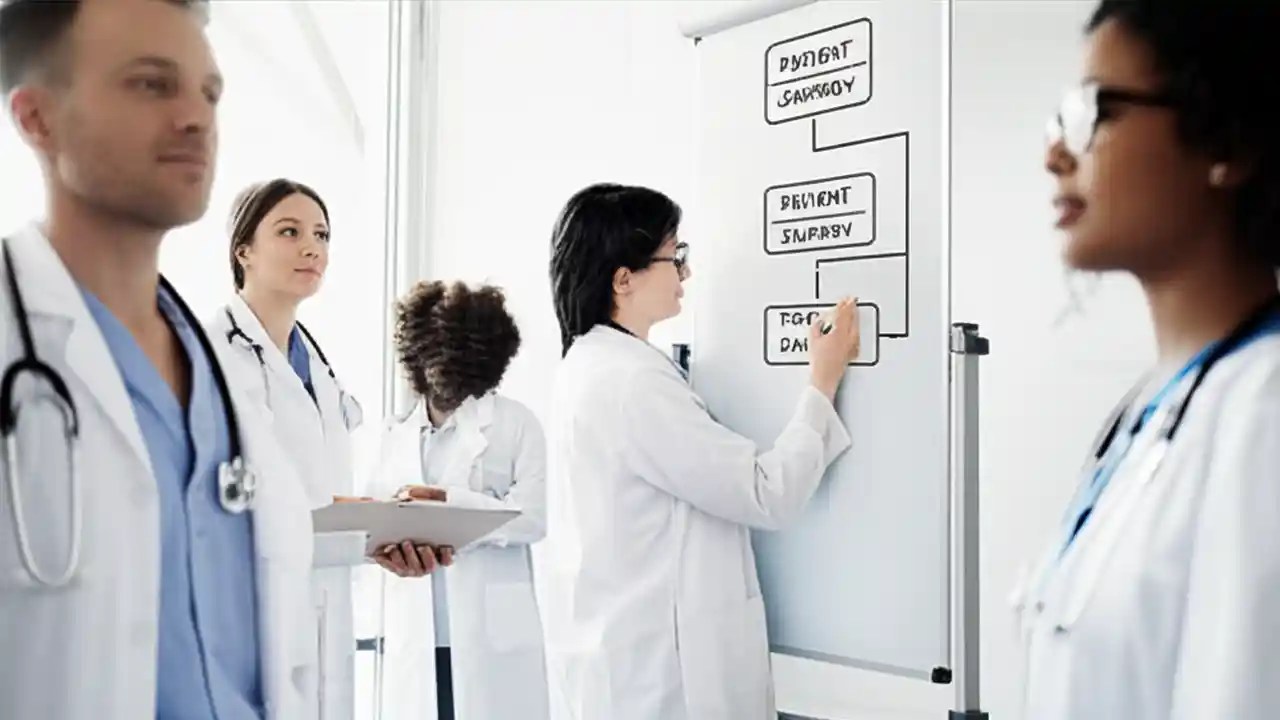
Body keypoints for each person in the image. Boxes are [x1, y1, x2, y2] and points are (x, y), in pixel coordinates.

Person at [0, 0, 319, 717]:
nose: (196, 118)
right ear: (36, 118)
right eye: (152, 84)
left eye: (209, 93)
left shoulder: (219, 379)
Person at [1016, 2, 1280, 717]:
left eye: (1097, 112)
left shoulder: (1264, 412)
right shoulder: (1152, 407)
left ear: (1227, 142)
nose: (1055, 154)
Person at [537, 182, 861, 719]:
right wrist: (822, 382)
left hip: (627, 668)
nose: (685, 273)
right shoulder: (631, 382)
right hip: (663, 684)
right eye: (674, 256)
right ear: (624, 279)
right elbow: (767, 494)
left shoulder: (590, 366)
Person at [207, 177, 447, 718]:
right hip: (253, 607)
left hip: (324, 602)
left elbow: (319, 492)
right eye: (289, 232)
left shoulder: (314, 362)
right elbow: (240, 503)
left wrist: (381, 527)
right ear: (243, 251)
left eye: (321, 234)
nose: (312, 248)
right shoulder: (215, 354)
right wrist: (368, 527)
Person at [370, 279, 548, 720]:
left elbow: (534, 517)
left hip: (489, 633)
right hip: (417, 627)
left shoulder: (516, 424)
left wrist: (448, 504)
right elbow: (373, 516)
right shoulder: (396, 433)